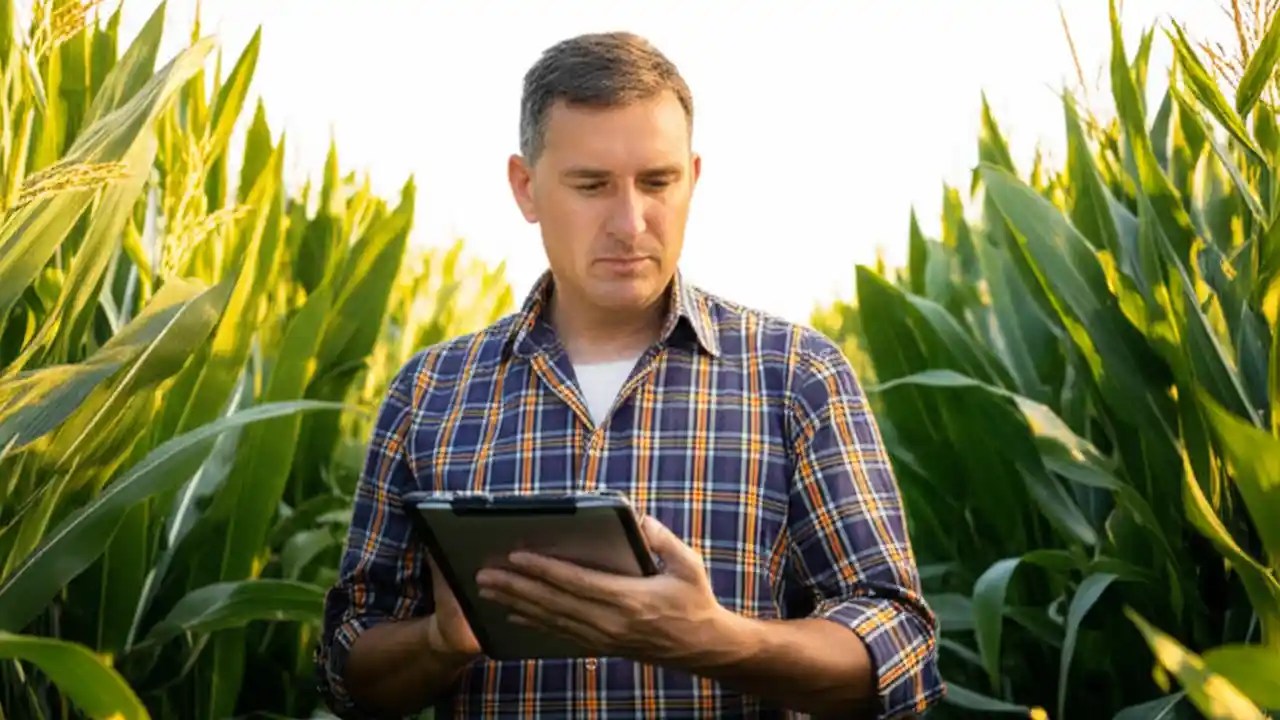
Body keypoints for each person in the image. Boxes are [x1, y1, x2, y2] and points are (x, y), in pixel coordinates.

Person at [315, 30, 944, 720]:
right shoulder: (430, 393)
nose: (630, 221)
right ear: (526, 188)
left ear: (693, 179)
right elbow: (348, 669)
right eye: (592, 186)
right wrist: (440, 641)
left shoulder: (796, 377)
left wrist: (714, 640)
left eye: (657, 182)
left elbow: (902, 650)